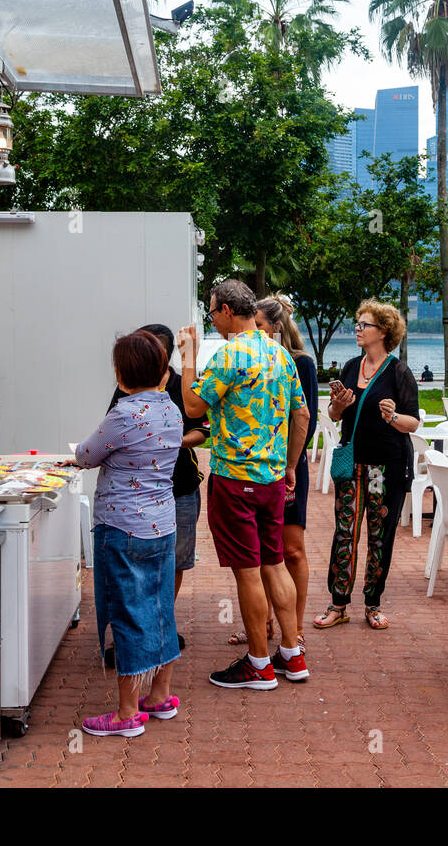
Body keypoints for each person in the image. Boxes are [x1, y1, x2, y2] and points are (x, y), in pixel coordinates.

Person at [178, 279, 311, 688]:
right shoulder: (280, 354)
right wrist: (290, 466)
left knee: (248, 572)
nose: (213, 320)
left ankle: (258, 664)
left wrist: (189, 357)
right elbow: (301, 416)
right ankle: (292, 653)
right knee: (273, 563)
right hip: (271, 479)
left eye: (213, 312)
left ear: (226, 311)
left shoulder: (229, 355)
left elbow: (193, 405)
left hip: (235, 480)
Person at [73, 330, 182, 737]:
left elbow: (85, 454)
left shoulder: (123, 413)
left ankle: (125, 714)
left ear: (121, 374)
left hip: (122, 527)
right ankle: (159, 696)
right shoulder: (171, 408)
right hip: (162, 523)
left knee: (127, 615)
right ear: (161, 370)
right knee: (159, 609)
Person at [104, 324, 208, 661]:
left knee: (172, 564)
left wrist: (167, 440)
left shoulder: (185, 387)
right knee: (134, 566)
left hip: (180, 487)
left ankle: (160, 624)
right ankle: (140, 630)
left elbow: (202, 431)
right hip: (135, 496)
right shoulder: (126, 389)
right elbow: (109, 433)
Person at [314, 300, 419, 632]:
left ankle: (373, 604)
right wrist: (338, 407)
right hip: (353, 463)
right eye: (357, 324)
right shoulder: (349, 366)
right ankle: (338, 604)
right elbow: (333, 414)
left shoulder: (399, 372)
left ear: (383, 331)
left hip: (383, 468)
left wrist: (393, 416)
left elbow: (413, 423)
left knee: (379, 535)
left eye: (364, 325)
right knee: (344, 533)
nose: (357, 329)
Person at [223, 295, 318, 648]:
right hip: (255, 472)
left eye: (259, 326)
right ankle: (261, 626)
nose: (252, 333)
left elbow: (305, 418)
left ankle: (295, 628)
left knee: (289, 550)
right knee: (256, 554)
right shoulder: (248, 360)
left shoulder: (300, 364)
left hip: (286, 468)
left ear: (275, 328)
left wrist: (290, 464)